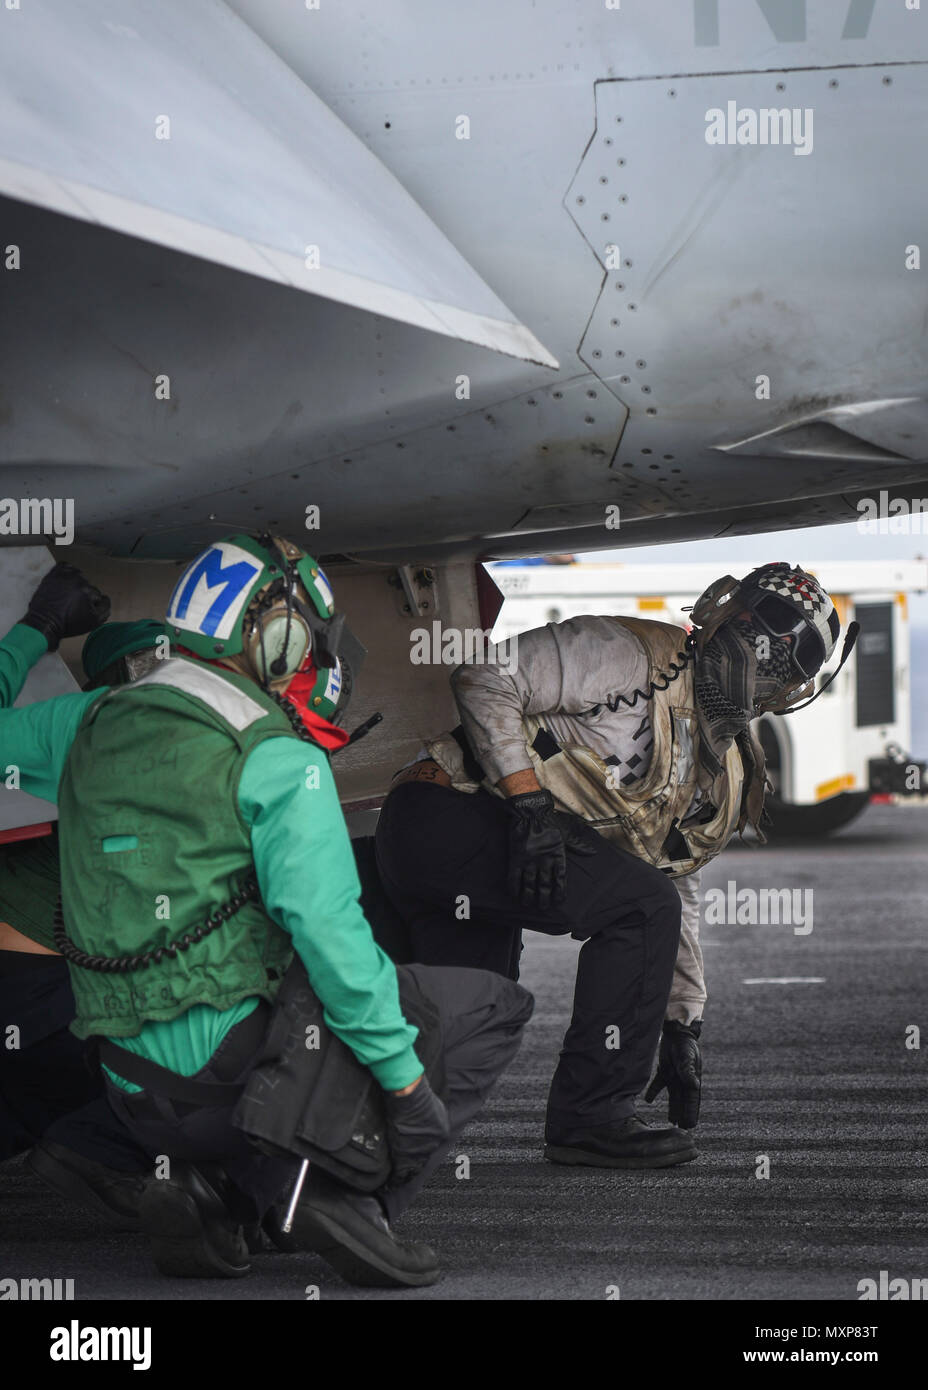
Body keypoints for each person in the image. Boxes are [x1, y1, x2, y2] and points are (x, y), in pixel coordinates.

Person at [0, 537, 532, 1288]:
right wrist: (406, 1088)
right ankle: (338, 1192)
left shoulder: (81, 723)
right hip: (233, 1084)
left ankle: (212, 1191)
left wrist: (32, 631)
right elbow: (334, 942)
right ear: (274, 640)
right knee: (488, 1006)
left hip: (121, 1087)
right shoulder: (279, 760)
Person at [375, 563, 847, 1168]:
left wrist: (680, 1024)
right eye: (776, 626)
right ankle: (591, 1116)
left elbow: (677, 882)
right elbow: (483, 676)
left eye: (802, 651)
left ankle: (320, 1159)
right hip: (442, 818)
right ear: (729, 610)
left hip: (485, 863)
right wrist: (530, 807)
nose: (778, 653)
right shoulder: (630, 653)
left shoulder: (725, 774)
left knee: (463, 1025)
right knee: (640, 905)